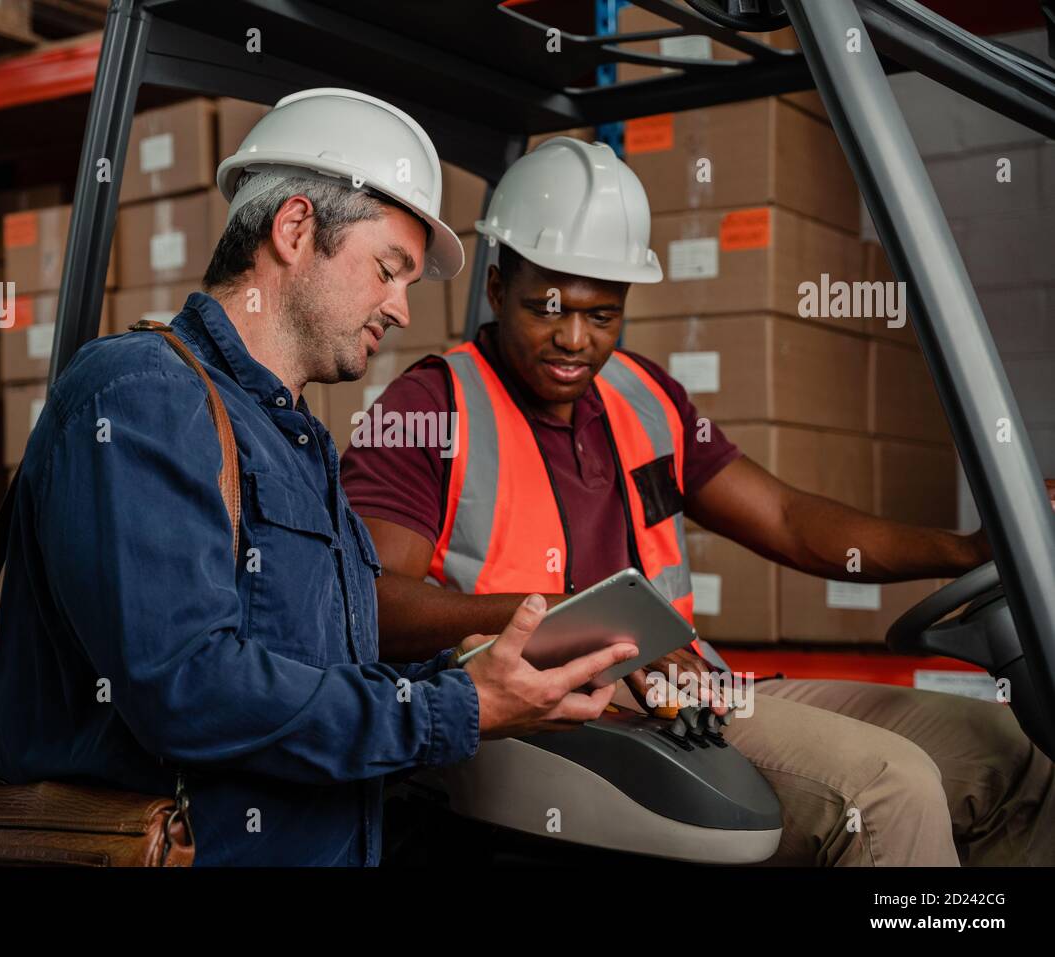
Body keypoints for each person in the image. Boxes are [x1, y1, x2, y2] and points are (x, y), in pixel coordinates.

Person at [340, 136, 1055, 866]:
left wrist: (966, 548)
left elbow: (786, 519)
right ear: (496, 290)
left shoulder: (647, 398)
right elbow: (369, 603)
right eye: (546, 309)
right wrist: (550, 611)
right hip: (554, 722)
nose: (575, 340)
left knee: (1013, 752)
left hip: (693, 695)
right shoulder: (432, 406)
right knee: (890, 789)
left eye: (604, 314)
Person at [0, 90, 639, 867]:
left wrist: (470, 667)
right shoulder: (141, 396)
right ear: (296, 229)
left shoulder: (297, 441)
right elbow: (188, 688)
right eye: (388, 271)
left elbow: (323, 670)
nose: (401, 309)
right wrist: (451, 709)